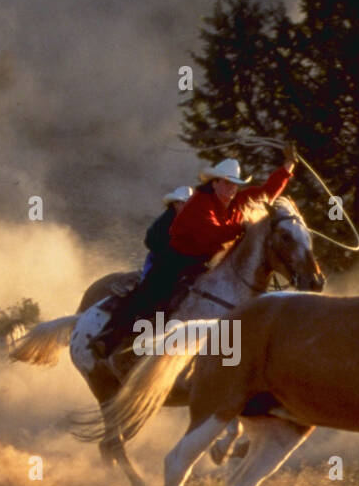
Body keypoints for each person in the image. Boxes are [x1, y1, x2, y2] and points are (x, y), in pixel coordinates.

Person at [90, 144, 297, 359]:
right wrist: (243, 226)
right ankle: (109, 338)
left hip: (207, 261)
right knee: (152, 295)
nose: (232, 189)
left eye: (234, 184)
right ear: (214, 183)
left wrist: (287, 168)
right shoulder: (199, 203)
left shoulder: (237, 202)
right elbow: (212, 233)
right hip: (177, 260)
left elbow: (266, 192)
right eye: (227, 183)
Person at [140, 185, 194, 280]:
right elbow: (150, 240)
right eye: (182, 203)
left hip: (180, 262)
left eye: (187, 203)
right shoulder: (164, 221)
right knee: (149, 284)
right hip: (157, 260)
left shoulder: (191, 221)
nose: (185, 206)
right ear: (175, 204)